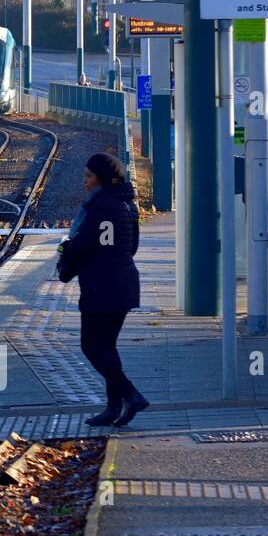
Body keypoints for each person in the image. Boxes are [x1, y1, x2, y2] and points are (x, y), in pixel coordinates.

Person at [57, 152, 149, 427]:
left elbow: (85, 243)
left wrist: (66, 248)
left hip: (102, 286)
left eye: (88, 176)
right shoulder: (127, 204)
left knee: (91, 346)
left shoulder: (101, 206)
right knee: (106, 346)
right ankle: (113, 407)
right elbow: (130, 246)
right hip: (121, 283)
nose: (84, 181)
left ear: (102, 179)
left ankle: (130, 395)